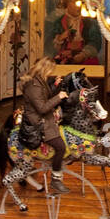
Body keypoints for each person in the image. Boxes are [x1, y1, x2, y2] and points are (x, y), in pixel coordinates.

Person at [21, 59, 71, 193]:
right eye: (50, 70)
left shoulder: (39, 81)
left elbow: (45, 97)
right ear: (45, 69)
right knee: (61, 147)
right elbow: (42, 107)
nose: (51, 73)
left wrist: (55, 86)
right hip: (38, 123)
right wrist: (59, 96)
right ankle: (55, 179)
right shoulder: (33, 85)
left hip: (44, 119)